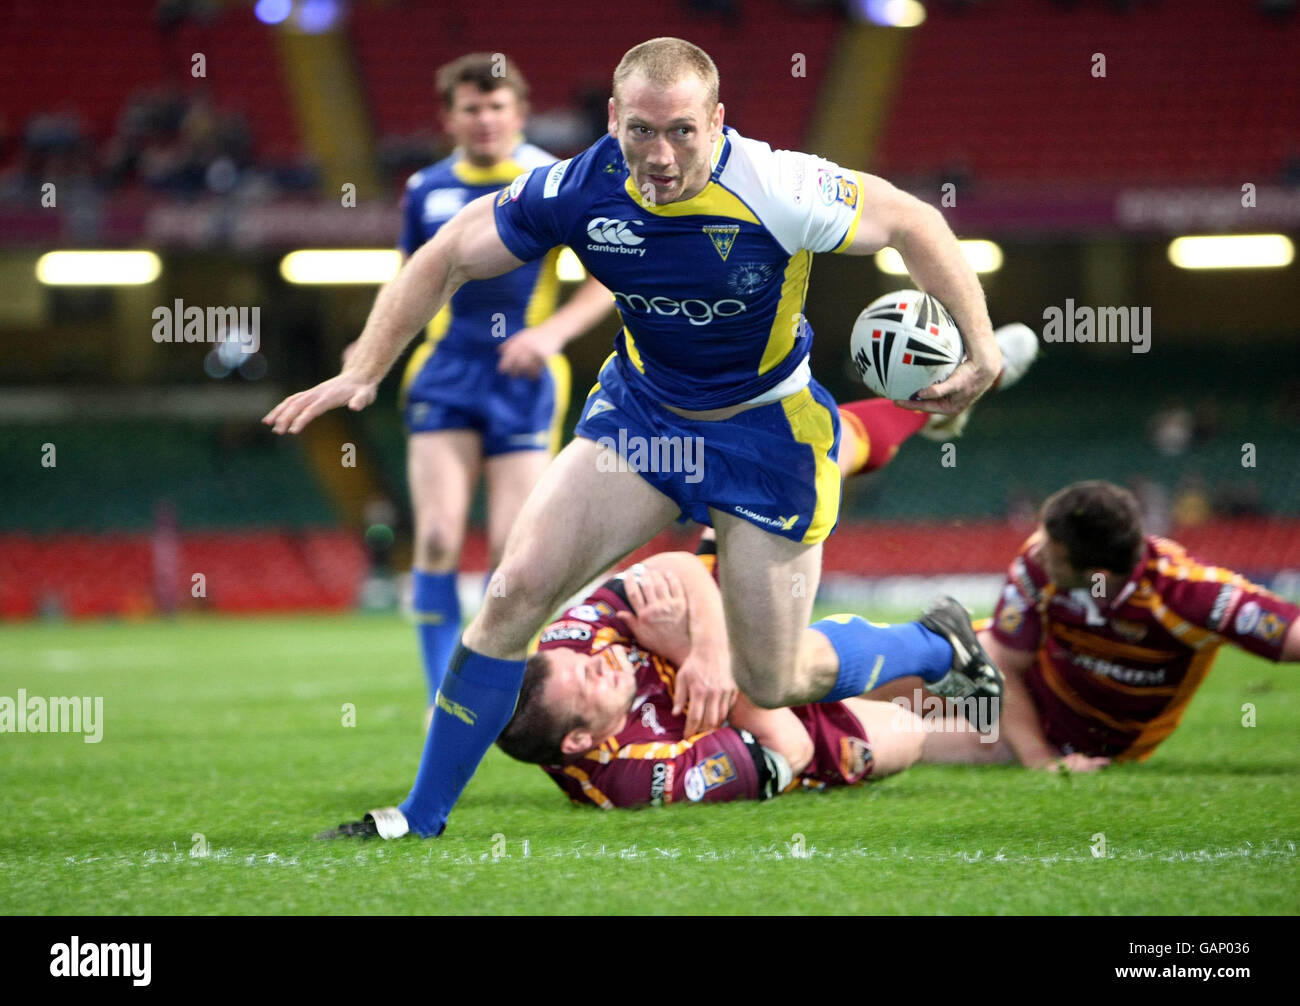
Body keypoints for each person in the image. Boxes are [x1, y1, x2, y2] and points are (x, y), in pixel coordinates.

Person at [267, 37, 1005, 839]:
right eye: (641, 132)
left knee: (777, 675)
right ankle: (418, 817)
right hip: (643, 419)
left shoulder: (780, 184)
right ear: (613, 120)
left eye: (682, 131)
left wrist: (984, 347)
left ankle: (933, 646)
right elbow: (446, 255)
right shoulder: (577, 185)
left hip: (766, 436)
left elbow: (914, 221)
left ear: (717, 122)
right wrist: (365, 370)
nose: (660, 155)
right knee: (512, 596)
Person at [349, 53, 613, 715]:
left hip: (523, 379)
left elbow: (604, 279)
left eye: (498, 107)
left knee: (510, 548)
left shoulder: (552, 182)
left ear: (520, 113)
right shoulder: (425, 189)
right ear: (450, 118)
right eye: (471, 107)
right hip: (444, 372)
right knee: (436, 536)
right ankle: (441, 693)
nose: (486, 118)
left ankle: (493, 683)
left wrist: (550, 334)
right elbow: (412, 277)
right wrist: (372, 344)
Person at [882, 480, 1300, 771]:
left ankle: (833, 741)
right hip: (1010, 682)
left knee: (897, 734)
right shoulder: (1037, 562)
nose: (1038, 552)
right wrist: (1039, 764)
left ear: (1095, 570)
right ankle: (820, 703)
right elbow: (1003, 661)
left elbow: (1291, 636)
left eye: (1053, 552)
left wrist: (1041, 758)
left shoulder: (1190, 595)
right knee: (896, 661)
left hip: (1078, 739)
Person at [494, 547, 931, 808]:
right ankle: (948, 663)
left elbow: (678, 566)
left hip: (729, 638)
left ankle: (939, 649)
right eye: (589, 680)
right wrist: (686, 651)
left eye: (580, 660)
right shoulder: (632, 778)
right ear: (577, 741)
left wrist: (709, 648)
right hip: (779, 724)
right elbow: (790, 745)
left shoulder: (571, 642)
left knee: (748, 511)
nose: (599, 662)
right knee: (912, 730)